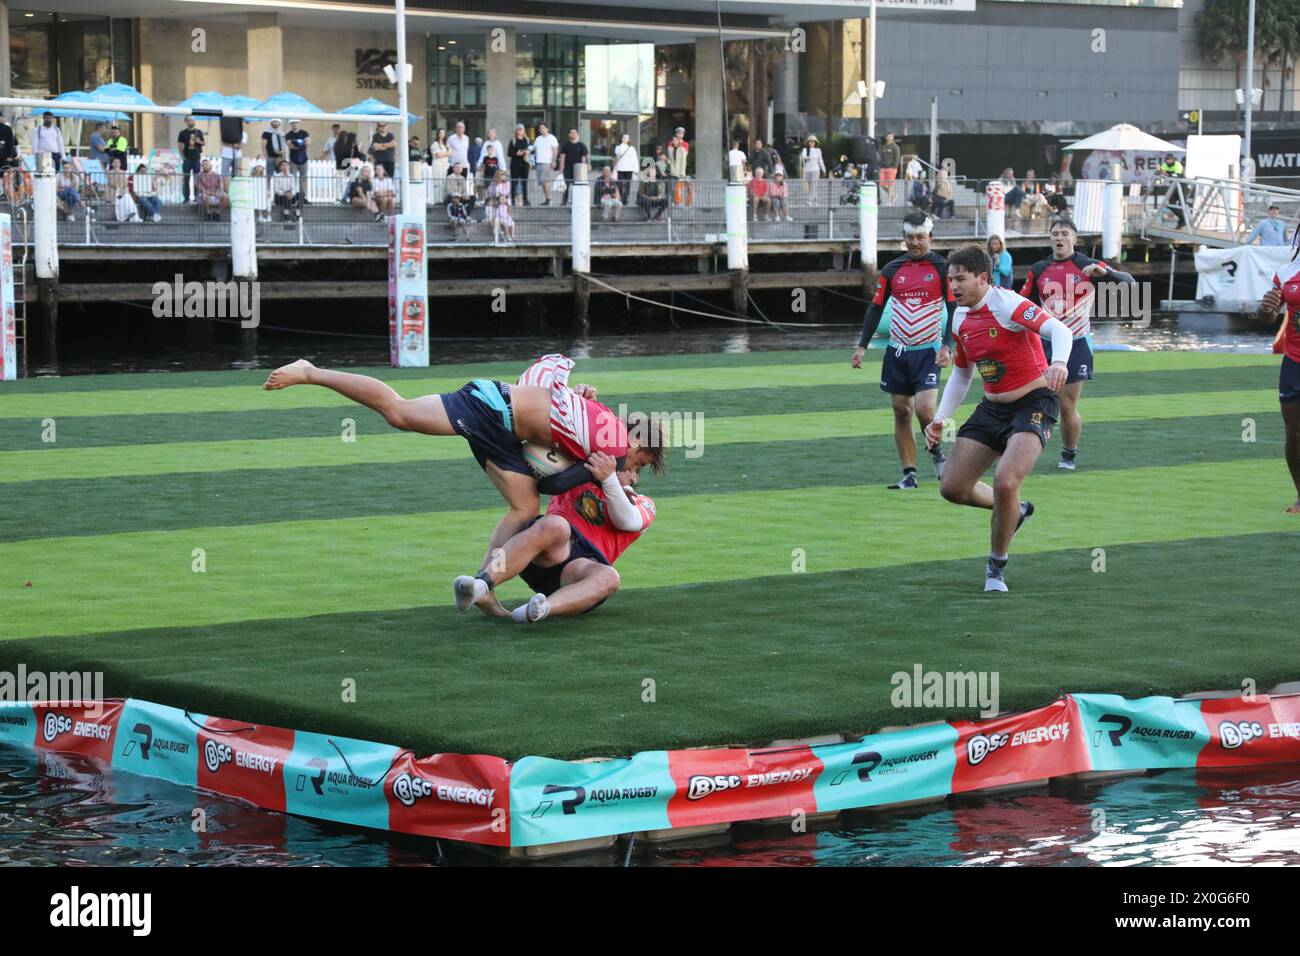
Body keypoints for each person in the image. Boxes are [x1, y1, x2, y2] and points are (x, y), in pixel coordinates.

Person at [262, 353, 666, 578]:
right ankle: (310, 371)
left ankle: (482, 585)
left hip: (500, 419)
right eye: (640, 461)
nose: (633, 469)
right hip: (490, 408)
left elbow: (565, 413)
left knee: (523, 509)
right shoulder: (611, 452)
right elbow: (554, 488)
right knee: (399, 413)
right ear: (636, 444)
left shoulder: (600, 416)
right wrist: (600, 475)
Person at [924, 243, 1074, 592]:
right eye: (950, 280)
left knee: (1006, 480)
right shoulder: (959, 318)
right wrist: (941, 418)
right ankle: (1014, 510)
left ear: (983, 278)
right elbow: (962, 376)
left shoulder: (1007, 304)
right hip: (992, 407)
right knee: (952, 487)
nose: (953, 287)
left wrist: (1060, 362)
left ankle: (996, 568)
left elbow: (1061, 331)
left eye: (960, 279)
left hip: (1033, 402)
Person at [455, 453, 657, 622]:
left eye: (632, 467)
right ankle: (483, 584)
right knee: (556, 525)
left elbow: (628, 521)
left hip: (578, 570)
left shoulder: (641, 503)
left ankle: (540, 609)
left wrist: (609, 480)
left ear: (633, 478)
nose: (616, 465)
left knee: (610, 577)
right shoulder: (579, 473)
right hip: (547, 547)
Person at [1020, 216, 1135, 471]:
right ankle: (1025, 447)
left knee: (1067, 404)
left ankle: (1068, 454)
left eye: (1064, 233)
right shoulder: (1039, 269)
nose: (1059, 237)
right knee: (1034, 400)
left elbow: (1131, 284)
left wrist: (1105, 273)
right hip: (1044, 345)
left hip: (1077, 343)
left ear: (1074, 238)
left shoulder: (1089, 265)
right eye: (1054, 233)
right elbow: (1021, 305)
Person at [851, 211, 956, 487]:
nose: (915, 243)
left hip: (929, 351)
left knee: (925, 410)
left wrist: (948, 345)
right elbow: (876, 308)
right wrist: (862, 347)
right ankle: (909, 473)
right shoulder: (892, 270)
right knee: (901, 411)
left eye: (920, 237)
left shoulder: (943, 268)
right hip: (897, 352)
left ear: (930, 238)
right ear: (903, 239)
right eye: (910, 238)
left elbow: (955, 308)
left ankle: (940, 452)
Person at [1255, 233, 1300, 513]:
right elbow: (1267, 318)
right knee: (1294, 433)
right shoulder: (1286, 273)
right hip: (1294, 362)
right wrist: (1265, 309)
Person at [177, 115, 205, 203]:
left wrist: (198, 141)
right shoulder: (182, 133)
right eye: (189, 120)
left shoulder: (198, 132)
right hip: (187, 159)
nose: (191, 122)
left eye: (193, 120)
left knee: (197, 179)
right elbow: (180, 146)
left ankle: (197, 197)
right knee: (186, 179)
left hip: (196, 158)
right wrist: (183, 157)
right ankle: (186, 198)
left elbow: (203, 143)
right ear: (186, 122)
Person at [558, 128, 588, 207]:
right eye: (571, 132)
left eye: (574, 133)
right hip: (567, 169)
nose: (573, 134)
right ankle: (564, 201)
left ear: (577, 134)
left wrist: (583, 170)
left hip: (578, 170)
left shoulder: (581, 145)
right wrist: (561, 170)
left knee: (576, 187)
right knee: (566, 186)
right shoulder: (565, 145)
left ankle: (575, 202)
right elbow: (563, 158)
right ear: (569, 134)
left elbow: (584, 158)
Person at [107, 158, 140, 223]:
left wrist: (119, 173)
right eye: (115, 162)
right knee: (123, 200)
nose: (116, 164)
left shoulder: (123, 172)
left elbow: (126, 182)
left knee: (128, 199)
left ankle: (131, 212)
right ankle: (126, 215)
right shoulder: (109, 172)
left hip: (122, 191)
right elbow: (111, 183)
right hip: (114, 191)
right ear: (112, 164)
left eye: (118, 162)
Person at [532, 122, 558, 205]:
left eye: (543, 127)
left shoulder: (552, 138)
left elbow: (555, 150)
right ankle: (546, 198)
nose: (542, 129)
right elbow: (535, 150)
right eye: (540, 128)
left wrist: (554, 161)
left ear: (547, 129)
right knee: (542, 181)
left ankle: (548, 199)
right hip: (539, 162)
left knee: (546, 180)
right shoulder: (538, 139)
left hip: (547, 162)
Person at [487, 168, 515, 242]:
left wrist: (503, 198)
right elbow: (492, 194)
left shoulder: (507, 184)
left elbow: (506, 193)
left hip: (504, 201)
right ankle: (508, 236)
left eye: (504, 174)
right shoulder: (493, 184)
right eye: (501, 174)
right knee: (504, 222)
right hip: (497, 203)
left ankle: (512, 235)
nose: (503, 176)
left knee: (511, 222)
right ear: (497, 175)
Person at [286, 119, 310, 200]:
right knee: (292, 178)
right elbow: (290, 146)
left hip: (304, 159)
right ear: (290, 125)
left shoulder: (304, 133)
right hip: (293, 160)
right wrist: (302, 144)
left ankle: (302, 197)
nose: (294, 125)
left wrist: (296, 143)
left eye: (296, 123)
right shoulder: (289, 134)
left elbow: (308, 143)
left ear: (299, 124)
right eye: (292, 124)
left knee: (303, 179)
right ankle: (292, 196)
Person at [507, 124, 531, 206]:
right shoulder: (513, 141)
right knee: (514, 182)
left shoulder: (527, 140)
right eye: (518, 130)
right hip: (515, 164)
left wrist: (527, 152)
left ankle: (525, 199)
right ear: (516, 131)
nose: (520, 131)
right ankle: (513, 199)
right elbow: (509, 153)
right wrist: (516, 153)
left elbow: (532, 150)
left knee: (525, 182)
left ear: (524, 131)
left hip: (525, 163)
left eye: (521, 129)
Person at [799, 134, 825, 206]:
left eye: (813, 142)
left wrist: (824, 169)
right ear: (808, 143)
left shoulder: (818, 150)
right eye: (810, 142)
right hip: (807, 170)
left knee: (814, 185)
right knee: (811, 185)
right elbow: (803, 157)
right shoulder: (805, 150)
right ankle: (815, 200)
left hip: (815, 170)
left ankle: (810, 200)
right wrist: (807, 158)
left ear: (815, 143)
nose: (812, 143)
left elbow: (820, 160)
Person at [428, 127, 451, 204]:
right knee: (437, 182)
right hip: (437, 165)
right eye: (440, 133)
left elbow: (450, 153)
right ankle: (437, 200)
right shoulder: (435, 144)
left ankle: (443, 199)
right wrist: (445, 154)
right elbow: (437, 155)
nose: (442, 134)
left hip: (445, 165)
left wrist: (443, 154)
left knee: (444, 182)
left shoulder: (446, 144)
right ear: (438, 134)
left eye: (443, 133)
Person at [614, 133, 638, 204]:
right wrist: (622, 144)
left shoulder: (632, 148)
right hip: (620, 168)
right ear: (621, 138)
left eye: (627, 138)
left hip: (629, 168)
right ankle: (621, 197)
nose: (626, 139)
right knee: (620, 184)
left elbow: (634, 159)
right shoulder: (618, 147)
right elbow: (618, 153)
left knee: (628, 185)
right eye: (624, 138)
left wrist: (636, 169)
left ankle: (626, 198)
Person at [879, 132, 901, 203]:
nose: (889, 138)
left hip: (891, 168)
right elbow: (881, 156)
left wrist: (894, 167)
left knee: (890, 185)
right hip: (883, 168)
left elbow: (897, 157)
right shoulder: (884, 146)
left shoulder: (895, 147)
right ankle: (893, 194)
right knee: (882, 185)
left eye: (891, 136)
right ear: (886, 137)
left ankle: (889, 202)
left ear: (893, 137)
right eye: (888, 136)